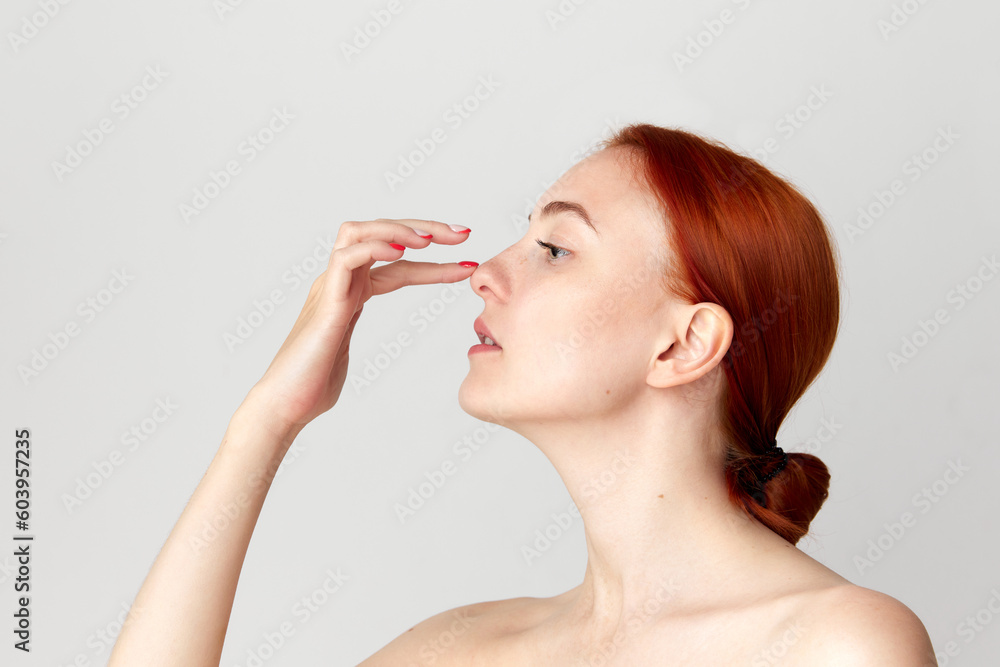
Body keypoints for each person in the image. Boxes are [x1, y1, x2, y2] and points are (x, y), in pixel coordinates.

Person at [110, 123, 937, 665]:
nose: (486, 274)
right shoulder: (456, 647)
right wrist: (265, 421)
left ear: (683, 343)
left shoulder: (837, 644)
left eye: (553, 248)